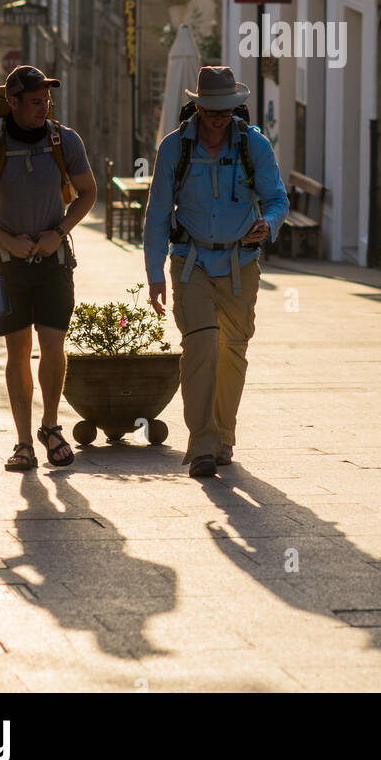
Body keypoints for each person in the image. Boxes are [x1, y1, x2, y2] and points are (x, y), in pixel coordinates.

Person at [144, 66, 289, 478]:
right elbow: (157, 213)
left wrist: (270, 223)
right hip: (190, 262)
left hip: (240, 264)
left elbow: (276, 198)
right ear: (199, 107)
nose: (220, 118)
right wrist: (155, 273)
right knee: (202, 344)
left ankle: (224, 435)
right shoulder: (175, 147)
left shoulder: (253, 145)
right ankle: (203, 444)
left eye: (227, 110)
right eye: (212, 110)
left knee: (233, 351)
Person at [0, 65, 97, 472]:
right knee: (17, 350)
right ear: (12, 103)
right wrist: (6, 240)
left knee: (53, 345)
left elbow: (88, 193)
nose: (43, 107)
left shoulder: (64, 140)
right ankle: (22, 442)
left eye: (47, 101)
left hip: (54, 261)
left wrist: (59, 231)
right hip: (3, 266)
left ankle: (50, 428)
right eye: (35, 102)